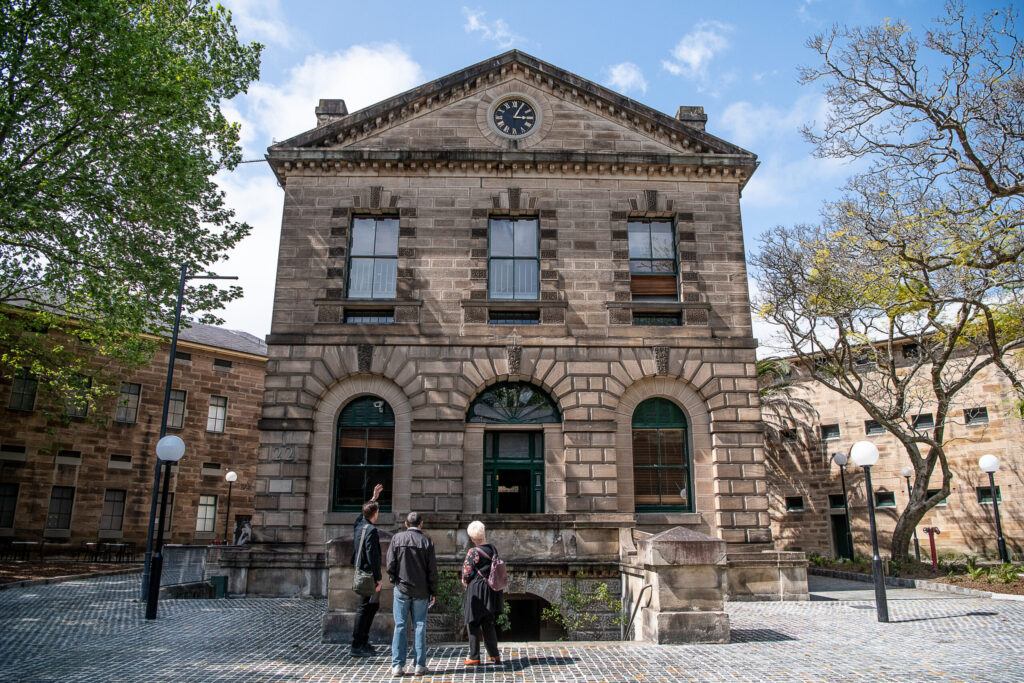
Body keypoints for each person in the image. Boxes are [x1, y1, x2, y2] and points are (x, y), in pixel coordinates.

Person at [386, 511, 437, 677]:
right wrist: (433, 590)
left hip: (402, 587)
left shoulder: (397, 539)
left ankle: (397, 665)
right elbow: (432, 570)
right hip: (421, 590)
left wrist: (394, 580)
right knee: (420, 626)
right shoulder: (427, 541)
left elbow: (390, 564)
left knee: (400, 625)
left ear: (406, 525)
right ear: (420, 525)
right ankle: (419, 665)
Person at [461, 520, 503, 666]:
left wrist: (464, 581)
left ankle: (474, 656)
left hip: (476, 589)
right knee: (488, 622)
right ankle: (494, 655)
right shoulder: (493, 548)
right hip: (491, 589)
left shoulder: (473, 552)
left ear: (472, 538)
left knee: (472, 622)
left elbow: (466, 573)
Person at [350, 484, 384, 658]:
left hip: (360, 571)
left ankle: (362, 641)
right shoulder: (370, 530)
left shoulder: (359, 525)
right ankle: (358, 644)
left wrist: (373, 499)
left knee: (370, 606)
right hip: (368, 574)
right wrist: (378, 578)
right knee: (365, 608)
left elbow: (361, 515)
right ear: (375, 514)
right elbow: (373, 556)